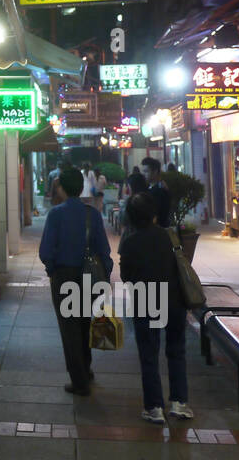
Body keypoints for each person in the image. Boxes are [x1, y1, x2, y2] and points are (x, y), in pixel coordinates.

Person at [118, 193, 192, 423]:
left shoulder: (129, 242)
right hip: (174, 301)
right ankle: (179, 403)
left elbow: (126, 276)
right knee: (176, 351)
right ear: (153, 214)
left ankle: (154, 407)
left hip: (146, 301)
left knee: (149, 354)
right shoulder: (169, 236)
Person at [39, 166, 113, 396]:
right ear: (81, 188)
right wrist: (104, 276)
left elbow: (46, 250)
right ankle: (86, 369)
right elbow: (104, 249)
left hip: (64, 276)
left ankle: (79, 380)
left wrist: (52, 271)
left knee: (69, 328)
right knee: (83, 322)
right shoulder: (91, 214)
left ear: (61, 187)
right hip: (89, 276)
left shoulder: (56, 214)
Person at [141, 157, 172, 229]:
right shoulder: (152, 188)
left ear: (155, 172)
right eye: (143, 171)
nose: (144, 174)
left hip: (156, 232)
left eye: (146, 171)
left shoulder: (159, 191)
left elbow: (156, 214)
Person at [118, 172, 150, 239]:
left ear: (132, 187)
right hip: (149, 237)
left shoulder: (130, 202)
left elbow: (123, 222)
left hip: (131, 237)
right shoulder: (149, 200)